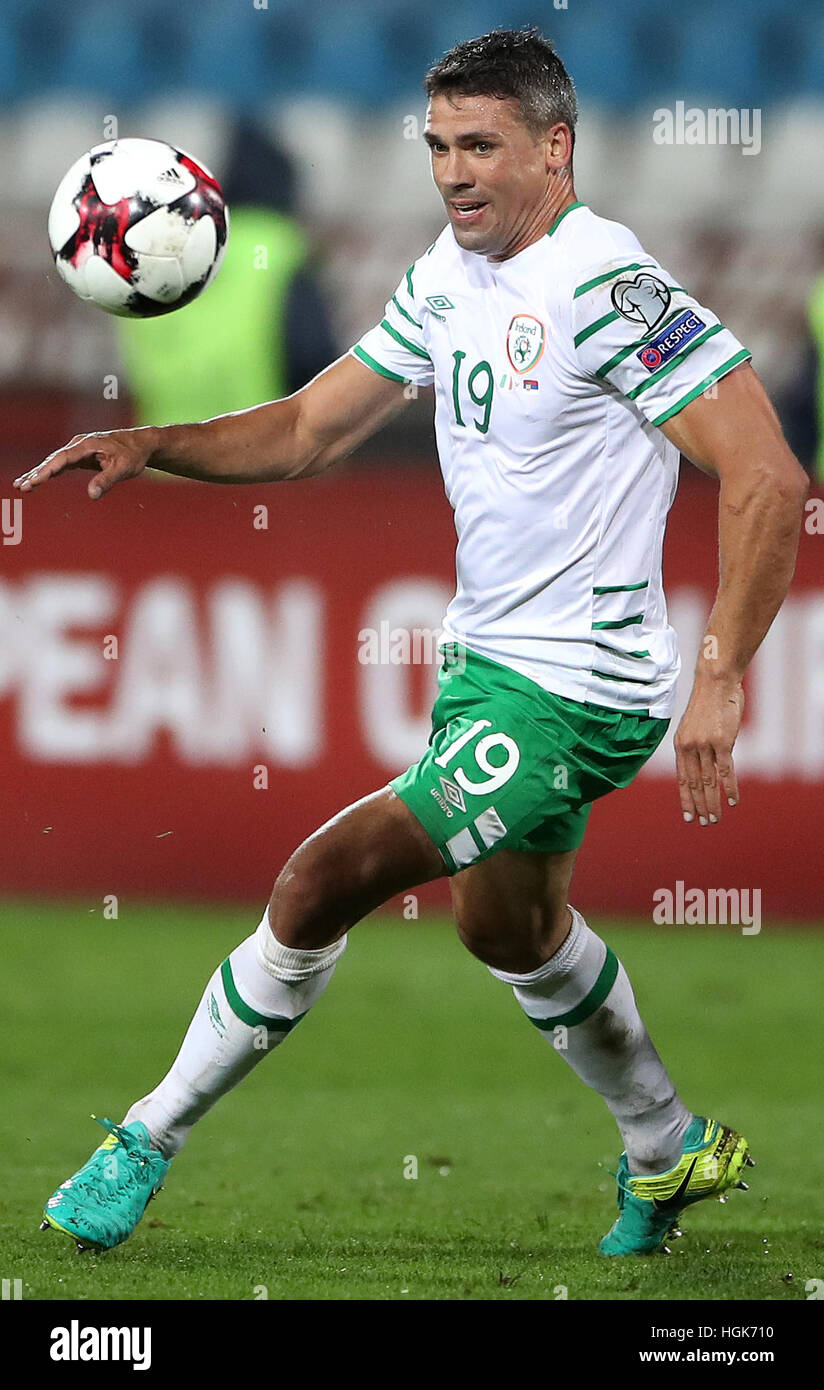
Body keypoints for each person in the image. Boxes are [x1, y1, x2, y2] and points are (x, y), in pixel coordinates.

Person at [17, 28, 807, 1259]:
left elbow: (764, 475)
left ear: (556, 148)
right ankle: (664, 1148)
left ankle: (143, 1138)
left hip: (582, 688)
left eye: (480, 144)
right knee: (507, 930)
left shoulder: (608, 287)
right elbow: (307, 431)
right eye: (436, 145)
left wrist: (718, 676)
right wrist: (153, 442)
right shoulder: (449, 270)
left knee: (318, 879)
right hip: (488, 664)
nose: (451, 171)